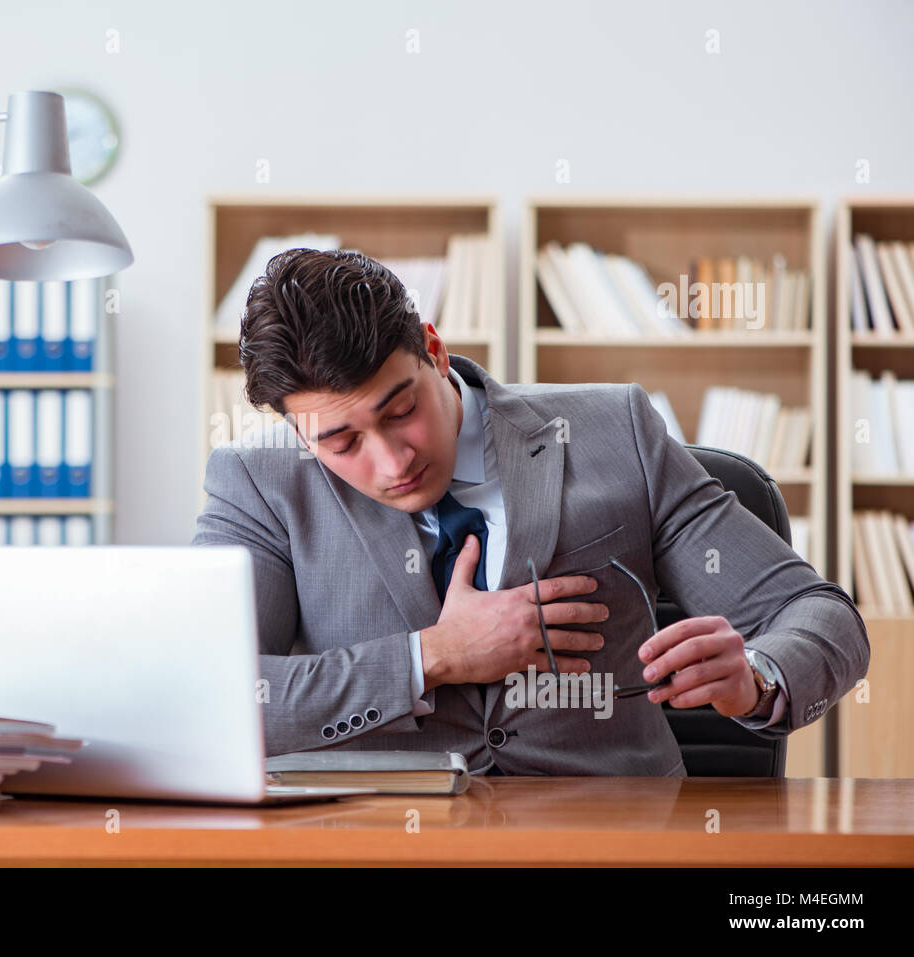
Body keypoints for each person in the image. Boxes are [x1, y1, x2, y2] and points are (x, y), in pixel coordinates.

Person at [192, 247, 869, 775]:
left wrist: (755, 676)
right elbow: (209, 689)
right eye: (340, 442)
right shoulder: (260, 482)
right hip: (382, 845)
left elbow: (822, 614)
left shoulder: (619, 430)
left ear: (433, 349)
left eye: (402, 410)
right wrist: (430, 657)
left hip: (611, 838)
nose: (393, 461)